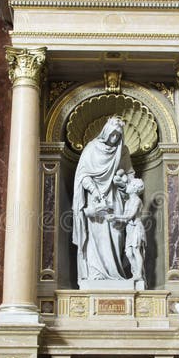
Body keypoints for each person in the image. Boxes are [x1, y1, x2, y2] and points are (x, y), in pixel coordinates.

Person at [72, 117, 134, 285]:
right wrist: (95, 191)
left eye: (118, 135)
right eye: (112, 134)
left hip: (115, 198)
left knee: (117, 234)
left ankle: (116, 272)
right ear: (106, 132)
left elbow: (130, 175)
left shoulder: (123, 150)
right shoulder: (92, 148)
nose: (115, 138)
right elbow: (83, 175)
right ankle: (96, 274)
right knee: (96, 237)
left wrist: (123, 183)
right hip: (95, 200)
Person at [108, 177, 146, 287]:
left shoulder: (137, 201)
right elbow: (124, 218)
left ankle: (139, 275)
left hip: (136, 228)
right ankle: (135, 273)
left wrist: (114, 217)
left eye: (129, 184)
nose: (127, 186)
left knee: (136, 251)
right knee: (129, 253)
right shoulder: (128, 201)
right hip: (129, 229)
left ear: (134, 188)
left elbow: (129, 216)